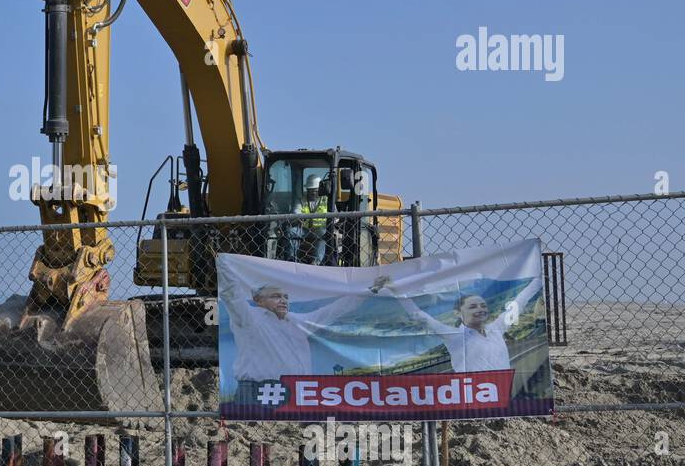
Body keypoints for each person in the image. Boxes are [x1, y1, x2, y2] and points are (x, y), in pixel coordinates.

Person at [218, 257, 389, 406]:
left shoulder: (297, 321)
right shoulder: (249, 319)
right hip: (257, 392)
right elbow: (232, 294)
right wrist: (225, 264)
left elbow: (335, 310)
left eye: (286, 297)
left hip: (295, 393)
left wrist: (371, 290)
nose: (283, 300)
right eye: (275, 296)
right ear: (259, 301)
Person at [380, 275, 543, 372]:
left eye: (483, 305)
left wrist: (538, 280)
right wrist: (396, 291)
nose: (480, 309)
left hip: (500, 397)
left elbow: (520, 301)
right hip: (474, 399)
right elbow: (419, 315)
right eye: (473, 306)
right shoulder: (454, 335)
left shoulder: (496, 329)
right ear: (458, 312)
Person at [290, 174, 329, 265]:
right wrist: (298, 218)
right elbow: (296, 211)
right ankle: (292, 259)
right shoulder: (301, 200)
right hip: (304, 229)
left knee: (324, 233)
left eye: (314, 190)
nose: (312, 193)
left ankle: (316, 261)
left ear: (319, 189)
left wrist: (329, 223)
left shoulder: (326, 200)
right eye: (309, 190)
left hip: (320, 230)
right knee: (291, 231)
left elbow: (336, 217)